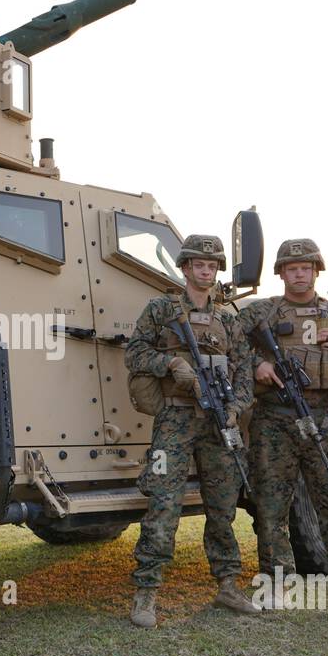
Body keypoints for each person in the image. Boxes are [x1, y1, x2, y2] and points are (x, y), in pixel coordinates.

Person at [233, 239, 328, 621]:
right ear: (281, 273)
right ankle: (275, 585)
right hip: (274, 421)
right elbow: (225, 342)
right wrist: (256, 365)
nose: (299, 274)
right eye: (291, 268)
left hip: (325, 420)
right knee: (271, 507)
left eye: (305, 268)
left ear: (316, 271)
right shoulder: (262, 312)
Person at [124, 234, 256, 627]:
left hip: (218, 424)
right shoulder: (162, 309)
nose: (206, 270)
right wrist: (172, 366)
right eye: (199, 264)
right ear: (185, 268)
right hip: (175, 421)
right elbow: (134, 353)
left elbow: (245, 371)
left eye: (213, 265)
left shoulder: (229, 320)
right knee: (163, 504)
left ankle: (228, 585)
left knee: (222, 506)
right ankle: (146, 593)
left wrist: (235, 408)